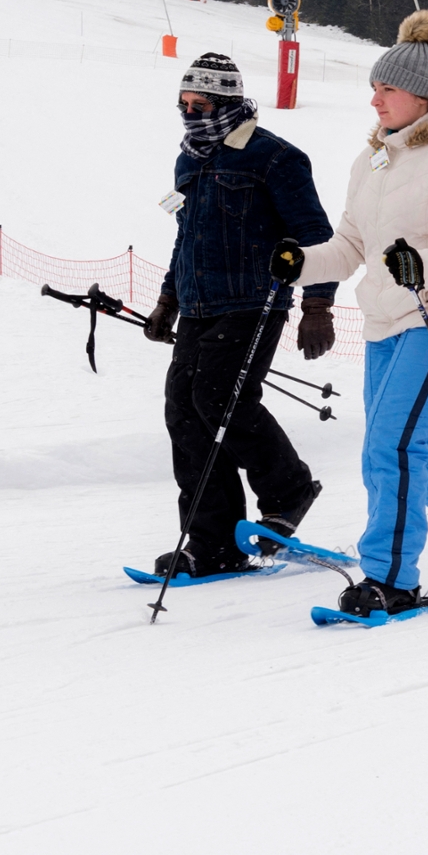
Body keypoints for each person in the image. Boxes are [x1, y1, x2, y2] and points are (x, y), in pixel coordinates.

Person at [273, 10, 428, 618]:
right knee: (397, 442)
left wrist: (422, 267)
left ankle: (391, 577)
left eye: (387, 89)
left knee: (392, 444)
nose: (374, 98)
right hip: (384, 317)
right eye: (374, 87)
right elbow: (350, 245)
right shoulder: (372, 161)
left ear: (422, 97)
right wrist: (300, 263)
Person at [142, 52, 337, 580]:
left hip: (255, 299)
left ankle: (288, 488)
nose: (189, 113)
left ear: (227, 102)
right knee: (183, 409)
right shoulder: (190, 160)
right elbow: (187, 237)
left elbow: (315, 235)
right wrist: (168, 299)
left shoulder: (273, 157)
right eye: (183, 104)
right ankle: (212, 542)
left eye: (199, 104)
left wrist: (317, 305)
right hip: (200, 302)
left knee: (219, 400)